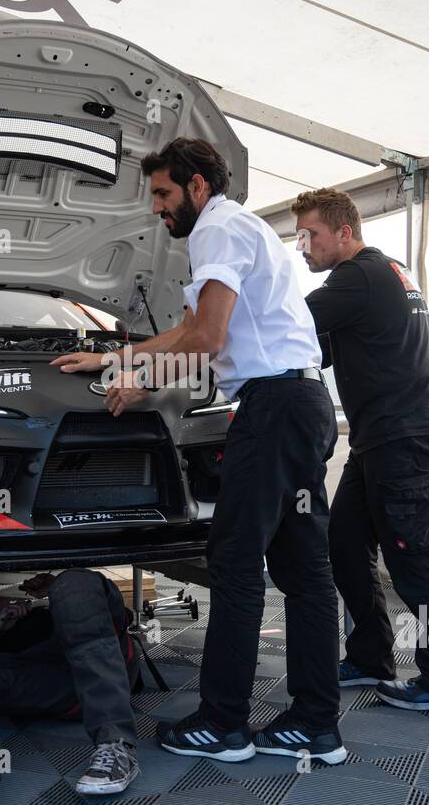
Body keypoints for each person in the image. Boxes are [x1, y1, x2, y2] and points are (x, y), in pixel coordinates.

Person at [52, 138, 344, 765]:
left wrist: (142, 382)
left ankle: (223, 724)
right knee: (305, 572)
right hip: (303, 406)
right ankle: (317, 725)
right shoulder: (240, 229)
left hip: (272, 411)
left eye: (162, 193)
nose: (157, 209)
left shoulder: (216, 229)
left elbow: (207, 338)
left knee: (236, 563)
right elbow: (190, 329)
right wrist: (113, 357)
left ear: (197, 187)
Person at [292, 187, 429, 713]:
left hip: (402, 437)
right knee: (346, 541)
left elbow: (289, 325)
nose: (302, 246)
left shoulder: (357, 277)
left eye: (311, 235)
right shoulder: (382, 275)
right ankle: (371, 656)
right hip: (381, 438)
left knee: (418, 558)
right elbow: (319, 348)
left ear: (343, 233)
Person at [0, 569, 142, 798]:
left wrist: (58, 592)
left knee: (73, 580)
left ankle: (116, 746)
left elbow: (125, 616)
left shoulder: (43, 611)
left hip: (112, 663)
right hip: (62, 687)